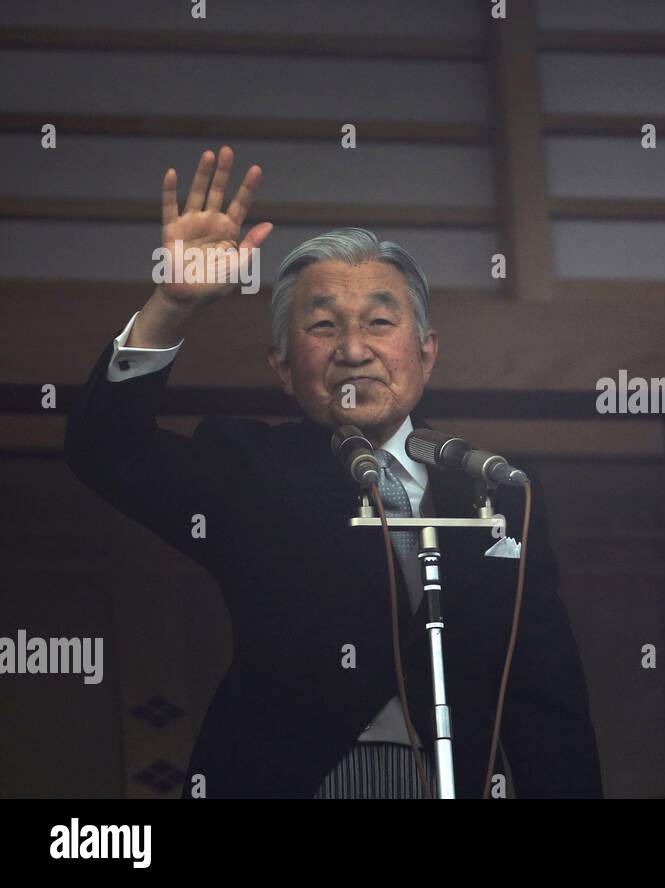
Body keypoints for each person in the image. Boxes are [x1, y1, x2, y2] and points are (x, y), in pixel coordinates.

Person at [65, 146, 603, 798]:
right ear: (284, 367)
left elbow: (547, 695)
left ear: (426, 352)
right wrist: (172, 305)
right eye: (323, 327)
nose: (354, 349)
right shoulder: (247, 470)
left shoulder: (497, 489)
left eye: (380, 321)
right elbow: (106, 450)